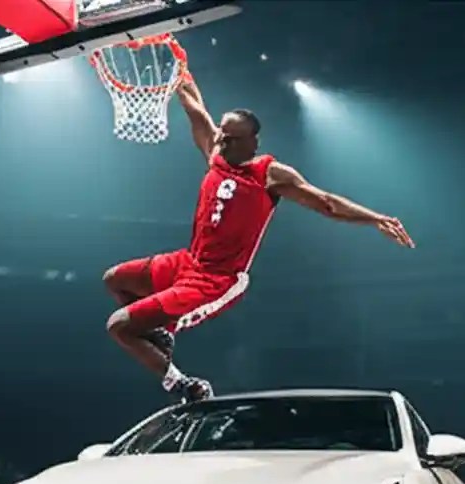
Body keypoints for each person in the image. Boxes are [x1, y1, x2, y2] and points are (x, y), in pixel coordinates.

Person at [102, 59, 415, 404]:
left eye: (231, 138)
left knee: (119, 325)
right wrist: (180, 68)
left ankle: (185, 386)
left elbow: (326, 203)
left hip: (217, 281)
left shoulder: (269, 174)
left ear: (252, 142)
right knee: (115, 279)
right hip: (188, 262)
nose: (221, 140)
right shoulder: (217, 155)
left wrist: (375, 218)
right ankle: (162, 333)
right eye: (221, 134)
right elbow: (196, 110)